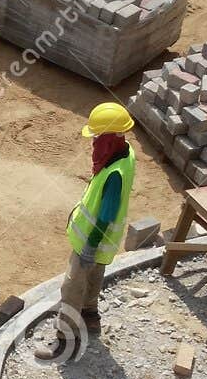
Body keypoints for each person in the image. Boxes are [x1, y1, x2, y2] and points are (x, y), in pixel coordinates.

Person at [34, 101, 136, 362]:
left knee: (71, 288)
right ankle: (90, 316)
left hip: (93, 242)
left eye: (98, 137)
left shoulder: (114, 173)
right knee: (94, 278)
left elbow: (105, 215)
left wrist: (89, 246)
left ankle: (64, 341)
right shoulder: (126, 154)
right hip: (106, 243)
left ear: (111, 138)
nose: (94, 143)